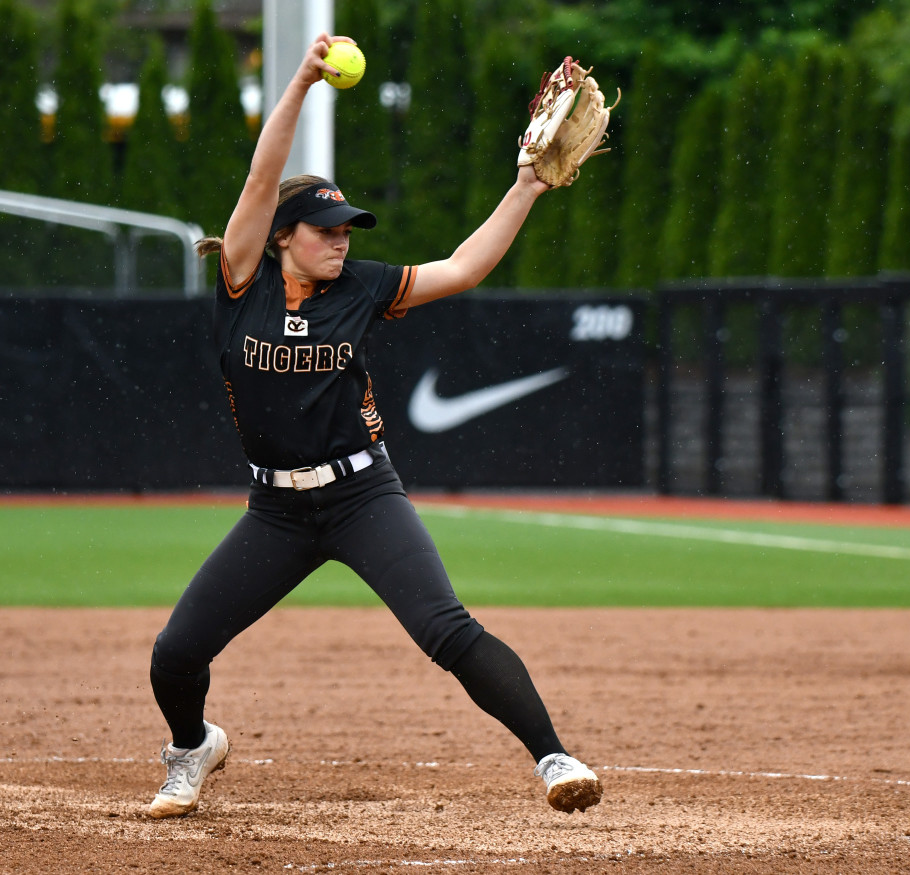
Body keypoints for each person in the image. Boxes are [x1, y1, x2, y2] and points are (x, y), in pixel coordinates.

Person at [145, 34, 603, 820]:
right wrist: (300, 83)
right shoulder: (244, 280)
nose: (341, 238)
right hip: (277, 511)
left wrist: (525, 186)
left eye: (347, 228)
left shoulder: (362, 287)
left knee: (445, 628)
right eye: (325, 228)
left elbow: (462, 268)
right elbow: (261, 178)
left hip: (363, 496)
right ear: (282, 235)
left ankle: (554, 757)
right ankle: (193, 746)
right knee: (175, 652)